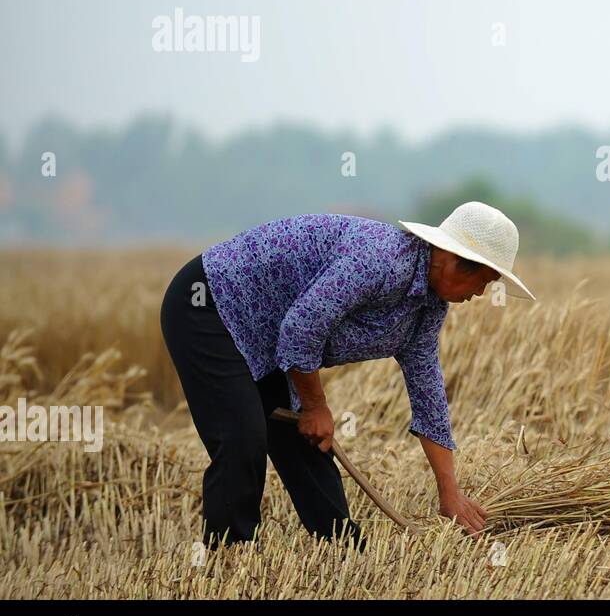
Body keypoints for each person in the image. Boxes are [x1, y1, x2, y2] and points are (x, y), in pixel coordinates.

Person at [158, 201, 536, 550]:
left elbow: (427, 391)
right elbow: (301, 330)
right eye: (482, 280)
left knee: (307, 443)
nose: (482, 293)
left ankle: (341, 548)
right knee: (243, 437)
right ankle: (229, 557)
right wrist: (316, 405)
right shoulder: (380, 260)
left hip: (268, 333)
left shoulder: (428, 305)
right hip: (210, 304)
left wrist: (449, 493)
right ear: (453, 261)